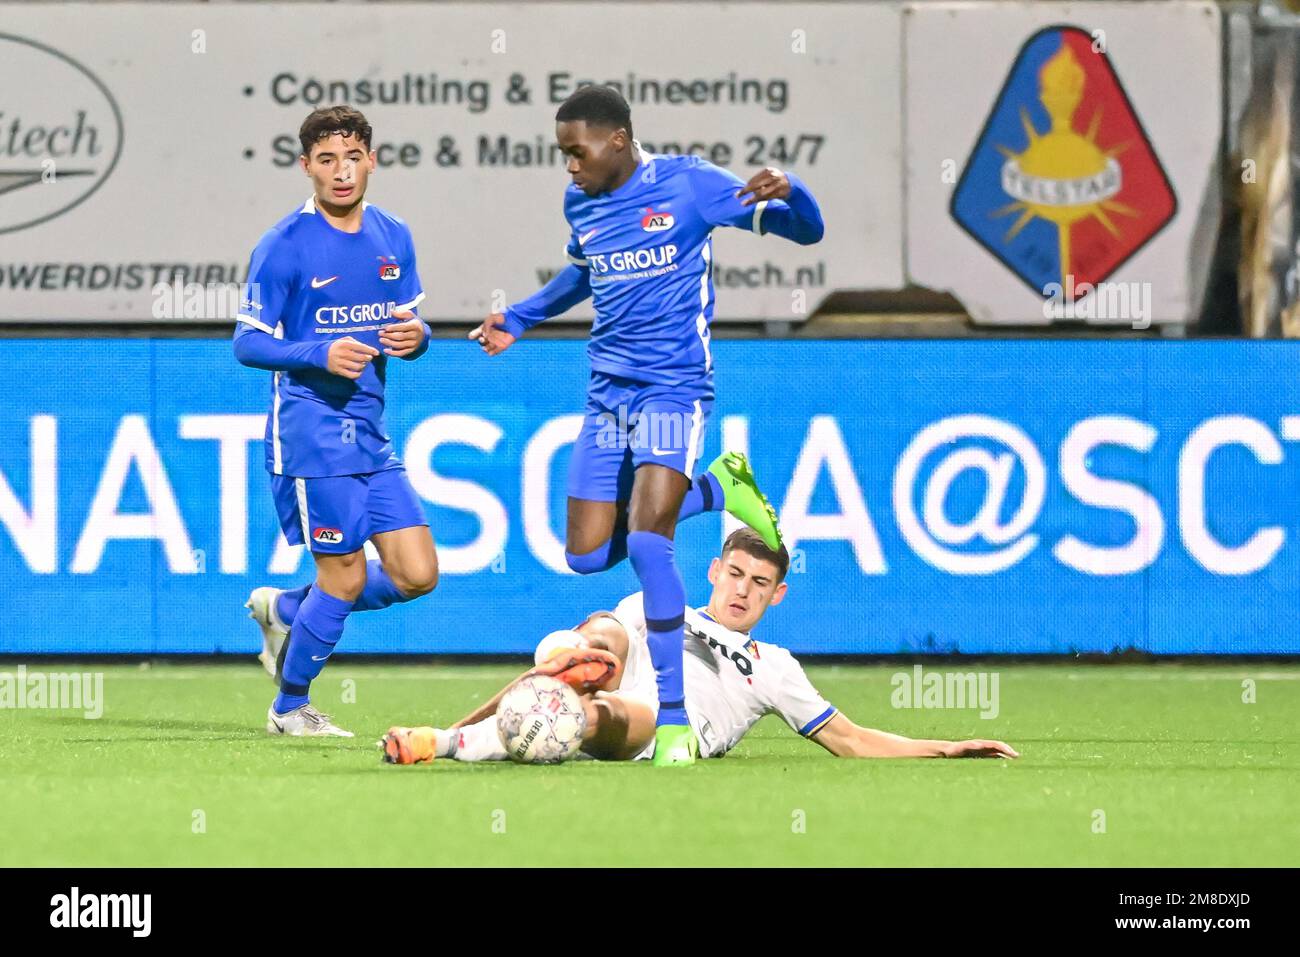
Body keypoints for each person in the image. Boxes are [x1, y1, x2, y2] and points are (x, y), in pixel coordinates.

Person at [467, 85, 825, 764]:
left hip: (672, 391)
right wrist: (518, 317)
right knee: (584, 552)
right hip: (608, 395)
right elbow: (582, 274)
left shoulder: (690, 186)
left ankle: (671, 721)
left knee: (648, 544)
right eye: (563, 154)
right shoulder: (583, 202)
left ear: (619, 141)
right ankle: (717, 491)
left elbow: (805, 231)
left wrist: (796, 190)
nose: (569, 166)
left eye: (578, 152)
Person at [381, 529, 1018, 764]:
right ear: (715, 570)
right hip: (612, 672)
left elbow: (848, 739)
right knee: (596, 642)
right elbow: (587, 652)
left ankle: (462, 740)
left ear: (778, 595)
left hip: (667, 733)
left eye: (761, 584)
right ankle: (448, 736)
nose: (744, 591)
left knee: (602, 711)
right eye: (736, 574)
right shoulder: (662, 609)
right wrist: (580, 659)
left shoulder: (777, 667)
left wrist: (945, 746)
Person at [235, 105, 438, 738]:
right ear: (307, 167)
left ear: (372, 160)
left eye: (353, 157)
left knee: (416, 574)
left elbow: (409, 322)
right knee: (344, 576)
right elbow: (247, 343)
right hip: (311, 434)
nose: (341, 171)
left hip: (370, 435)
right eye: (327, 160)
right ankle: (289, 706)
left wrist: (419, 336)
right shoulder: (284, 246)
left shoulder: (393, 234)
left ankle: (288, 609)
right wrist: (316, 352)